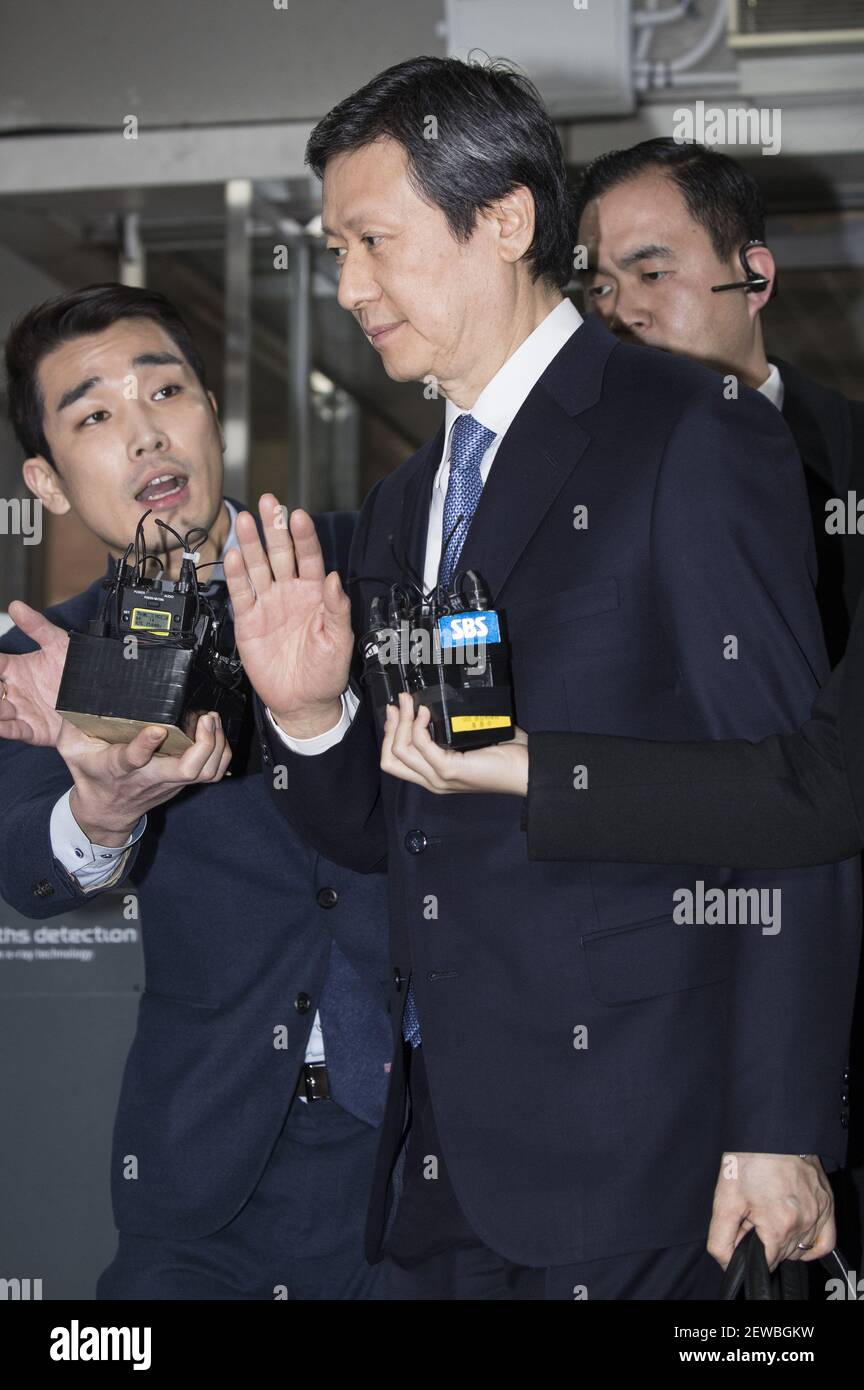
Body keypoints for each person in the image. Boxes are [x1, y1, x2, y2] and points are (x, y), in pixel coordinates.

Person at [222, 56, 861, 1300]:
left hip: (652, 1149)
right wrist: (308, 718)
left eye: (373, 240)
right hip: (446, 1157)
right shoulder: (411, 498)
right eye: (335, 249)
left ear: (506, 220)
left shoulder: (690, 429)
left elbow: (803, 805)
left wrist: (780, 1127)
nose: (348, 286)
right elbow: (403, 821)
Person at [0, 284, 391, 1300]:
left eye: (164, 391)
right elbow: (28, 864)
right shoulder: (46, 655)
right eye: (95, 416)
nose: (144, 436)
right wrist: (101, 810)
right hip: (204, 1170)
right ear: (44, 481)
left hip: (425, 1148)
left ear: (211, 408)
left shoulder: (375, 562)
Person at [575, 137, 864, 668]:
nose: (621, 313)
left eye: (653, 275)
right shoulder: (580, 488)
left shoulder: (849, 458)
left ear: (754, 278)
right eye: (599, 288)